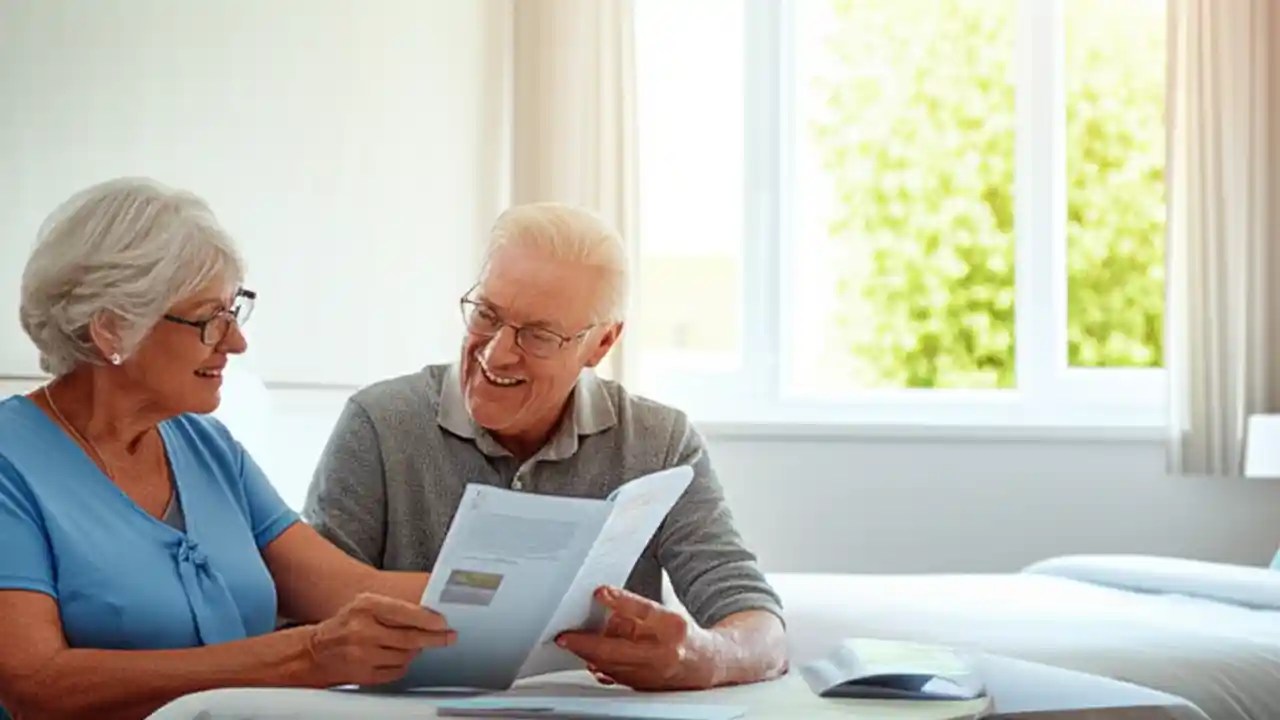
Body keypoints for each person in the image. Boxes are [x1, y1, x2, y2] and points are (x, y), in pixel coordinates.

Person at [0, 178, 456, 720]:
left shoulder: (207, 447)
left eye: (234, 313)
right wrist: (303, 657)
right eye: (208, 319)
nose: (235, 341)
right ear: (112, 329)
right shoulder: (12, 463)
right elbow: (36, 684)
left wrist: (555, 596)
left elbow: (353, 588)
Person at [303, 202, 789, 691]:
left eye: (538, 335)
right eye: (487, 315)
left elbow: (759, 626)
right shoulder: (379, 423)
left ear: (601, 344)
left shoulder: (661, 442)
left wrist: (706, 658)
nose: (496, 352)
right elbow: (304, 619)